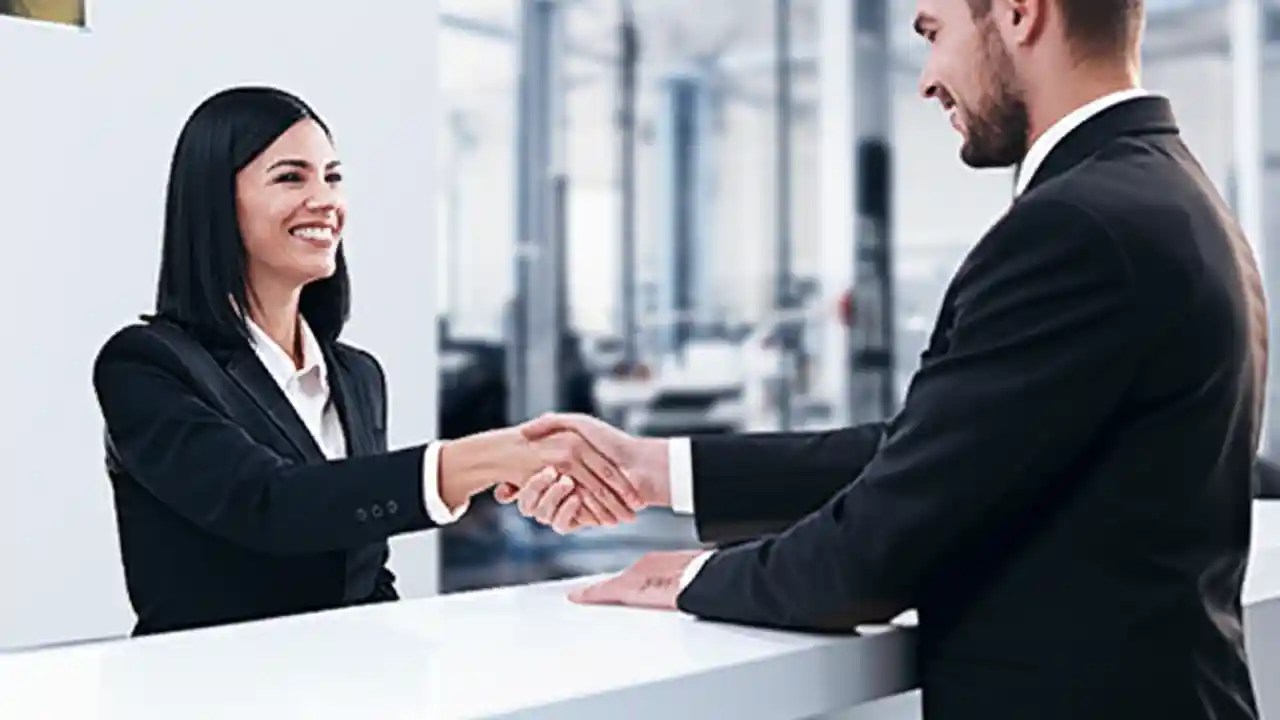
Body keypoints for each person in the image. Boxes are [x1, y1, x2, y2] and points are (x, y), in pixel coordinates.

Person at [504, 0, 1267, 718]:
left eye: (933, 31)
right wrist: (656, 470)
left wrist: (691, 576)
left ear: (1020, 11)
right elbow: (942, 451)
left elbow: (867, 562)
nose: (928, 78)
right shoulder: (1172, 198)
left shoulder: (1075, 226)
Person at [91, 86, 642, 637]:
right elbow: (271, 505)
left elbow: (362, 573)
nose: (325, 199)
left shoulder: (356, 376)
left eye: (332, 176)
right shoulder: (145, 366)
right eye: (291, 177)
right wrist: (489, 457)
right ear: (215, 199)